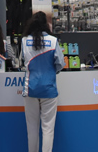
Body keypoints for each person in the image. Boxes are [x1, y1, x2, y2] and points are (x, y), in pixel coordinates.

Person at [21, 11, 65, 152]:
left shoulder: (24, 41)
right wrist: (51, 72)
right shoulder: (53, 41)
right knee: (48, 129)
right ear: (46, 24)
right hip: (49, 89)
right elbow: (60, 63)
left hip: (30, 89)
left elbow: (22, 61)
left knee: (32, 129)